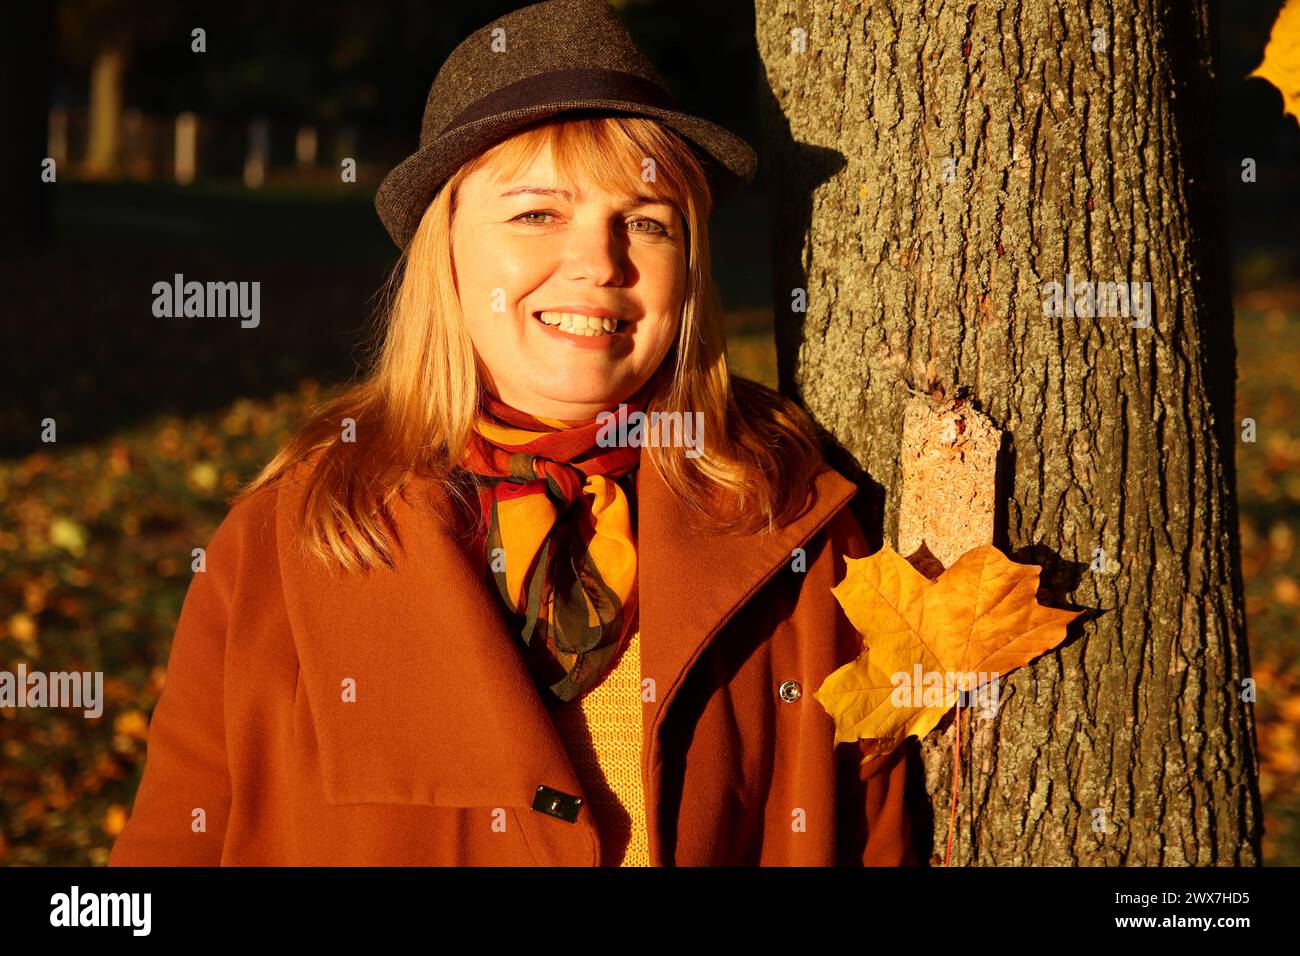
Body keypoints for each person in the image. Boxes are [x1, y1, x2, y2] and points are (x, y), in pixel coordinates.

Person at [108, 0, 917, 867]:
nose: (599, 262)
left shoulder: (789, 521)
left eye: (647, 221)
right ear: (444, 250)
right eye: (538, 213)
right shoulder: (287, 538)